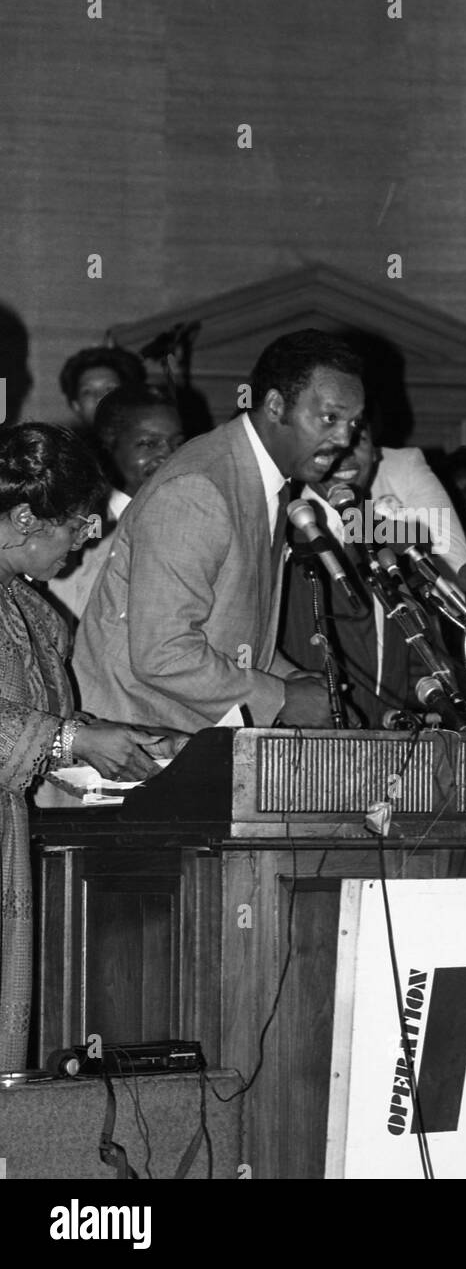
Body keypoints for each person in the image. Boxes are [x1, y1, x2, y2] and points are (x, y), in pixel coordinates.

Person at [73, 330, 366, 732]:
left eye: (353, 423)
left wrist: (290, 679)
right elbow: (164, 653)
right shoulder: (199, 487)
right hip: (132, 752)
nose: (344, 439)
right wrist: (281, 698)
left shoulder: (266, 481)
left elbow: (228, 630)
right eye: (330, 418)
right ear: (276, 405)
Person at [0, 424, 176, 1069]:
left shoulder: (36, 612)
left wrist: (146, 745)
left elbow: (50, 727)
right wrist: (76, 737)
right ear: (24, 518)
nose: (90, 537)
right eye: (78, 522)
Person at [280, 423, 466, 726]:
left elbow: (418, 660)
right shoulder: (279, 536)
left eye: (360, 439)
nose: (346, 455)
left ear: (376, 454)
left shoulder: (397, 539)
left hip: (390, 748)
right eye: (331, 441)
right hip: (305, 742)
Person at [48, 386, 185, 625]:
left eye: (177, 443)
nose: (169, 456)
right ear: (110, 446)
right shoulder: (79, 525)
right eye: (148, 444)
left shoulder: (189, 520)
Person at [59, 346, 147, 428]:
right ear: (76, 406)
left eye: (109, 388)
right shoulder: (64, 443)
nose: (99, 397)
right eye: (87, 392)